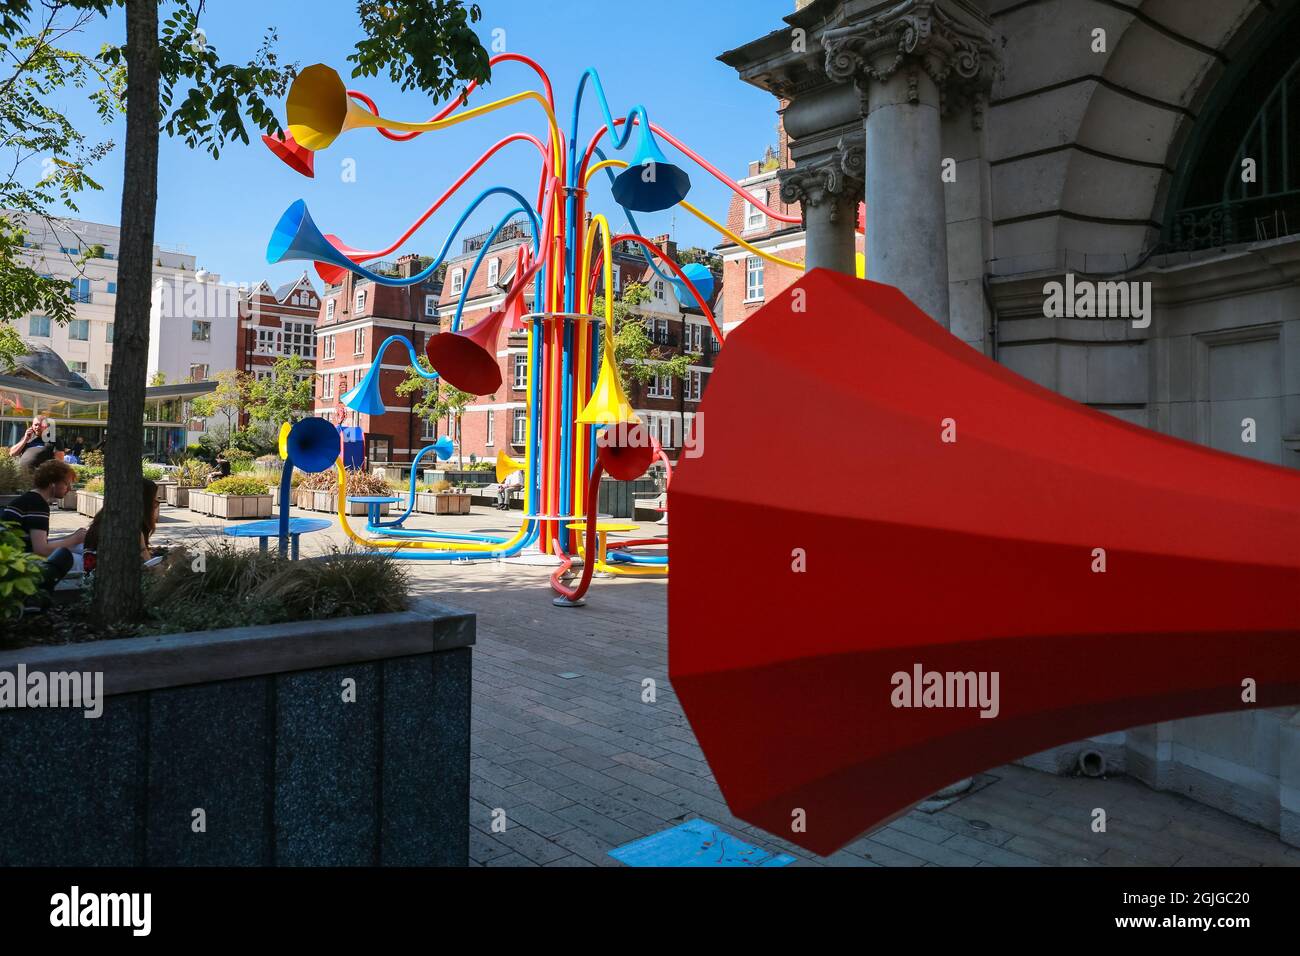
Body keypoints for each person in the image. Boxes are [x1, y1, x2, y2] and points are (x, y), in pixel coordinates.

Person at [1, 460, 84, 592]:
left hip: (15, 556)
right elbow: (41, 550)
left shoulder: (29, 499)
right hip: (20, 564)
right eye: (67, 484)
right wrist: (74, 539)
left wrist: (74, 537)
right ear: (52, 483)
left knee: (80, 547)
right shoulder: (38, 505)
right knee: (81, 560)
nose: (69, 489)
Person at [85, 478, 162, 565]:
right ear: (145, 504)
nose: (157, 506)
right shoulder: (131, 529)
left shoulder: (108, 519)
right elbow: (150, 566)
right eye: (155, 502)